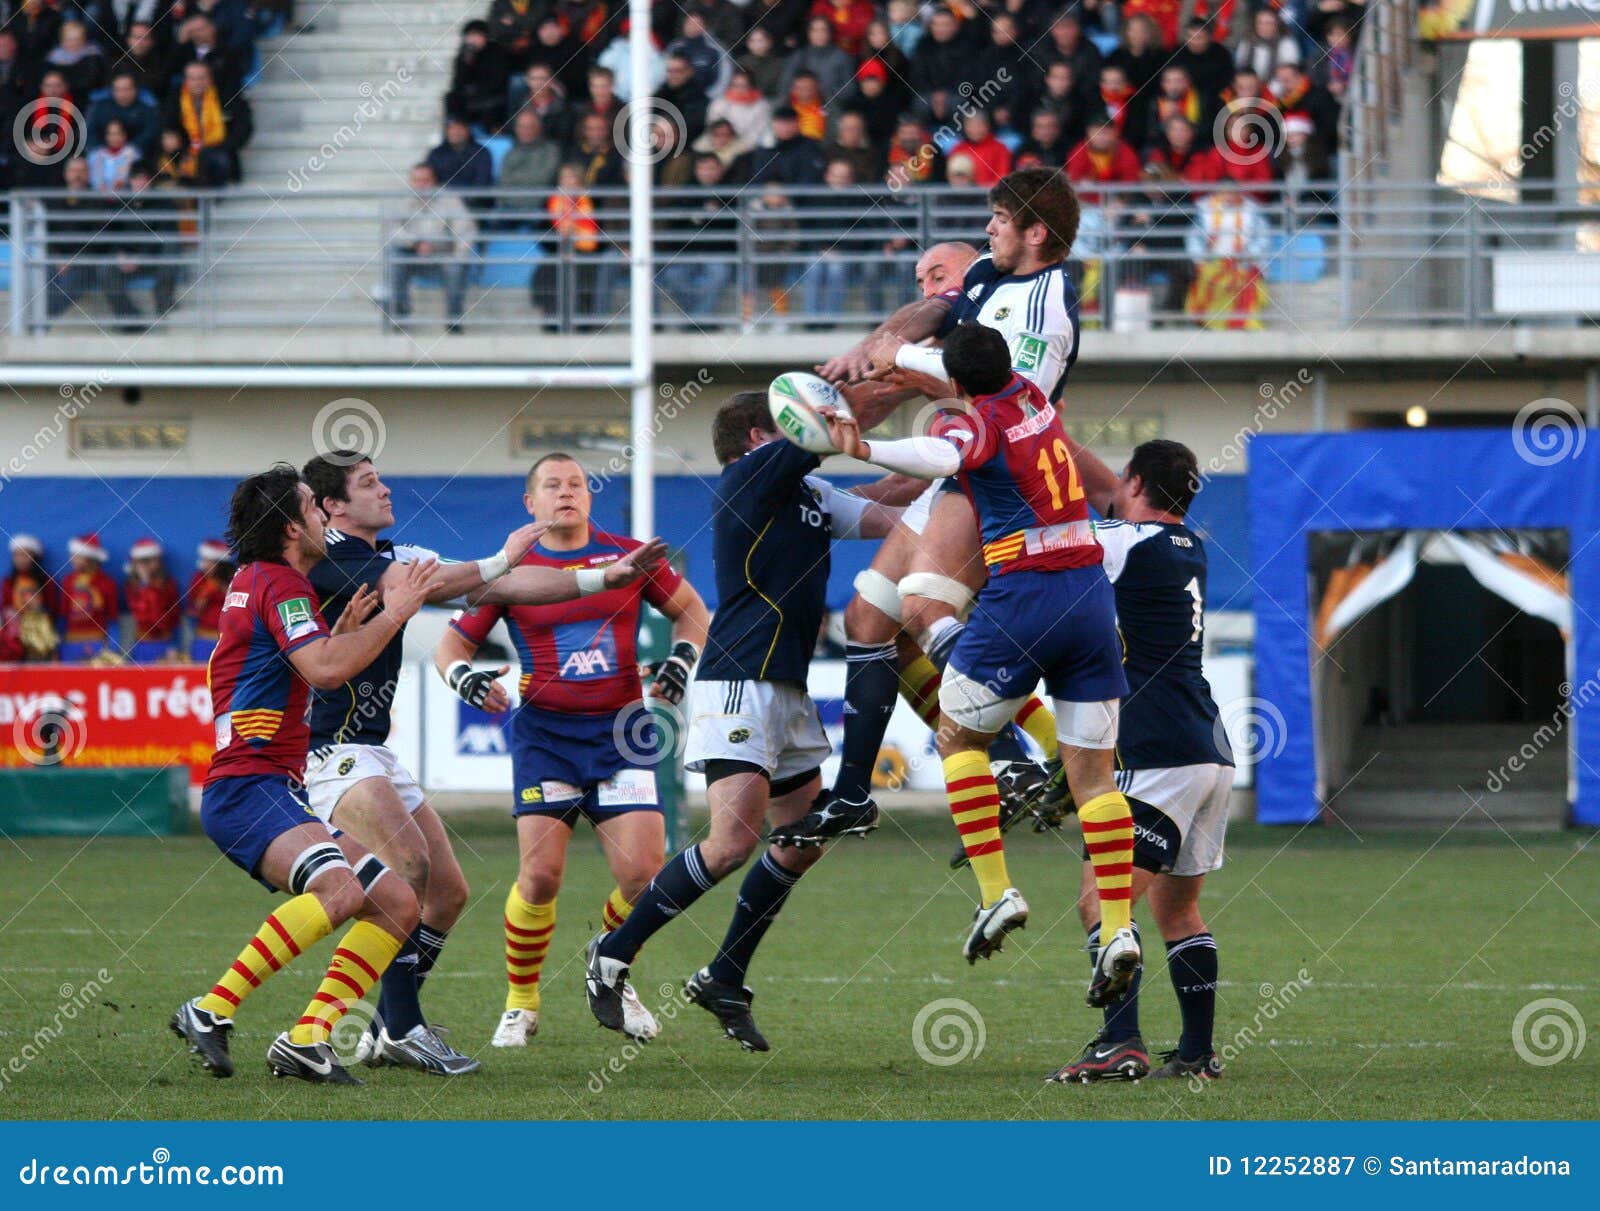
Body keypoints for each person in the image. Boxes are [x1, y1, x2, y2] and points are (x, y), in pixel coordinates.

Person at [297, 450, 666, 1072]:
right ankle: (358, 1026)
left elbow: (498, 588)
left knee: (446, 893)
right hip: (330, 750)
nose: (385, 489)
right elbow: (458, 585)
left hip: (375, 751)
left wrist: (601, 578)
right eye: (369, 483)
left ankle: (386, 1024)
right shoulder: (333, 558)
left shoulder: (392, 555)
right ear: (334, 506)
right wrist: (497, 560)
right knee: (409, 871)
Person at [817, 323, 1141, 1004]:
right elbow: (952, 364)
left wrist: (864, 444)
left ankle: (997, 893)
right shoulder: (1029, 395)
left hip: (1023, 596)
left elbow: (941, 453)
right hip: (1088, 598)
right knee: (1096, 780)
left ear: (958, 386)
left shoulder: (978, 427)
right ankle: (1117, 929)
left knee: (958, 736)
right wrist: (899, 353)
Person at [584, 391, 903, 1050]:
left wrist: (958, 467)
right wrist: (899, 377)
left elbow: (888, 512)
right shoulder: (747, 476)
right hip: (739, 679)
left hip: (785, 686)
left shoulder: (808, 494)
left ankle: (725, 973)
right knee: (731, 843)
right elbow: (826, 429)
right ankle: (612, 953)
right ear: (765, 433)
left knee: (800, 840)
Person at [786, 169, 1086, 850]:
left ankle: (1030, 752)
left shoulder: (1045, 302)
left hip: (1000, 476)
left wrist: (896, 357)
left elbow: (1001, 391)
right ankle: (855, 794)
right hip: (964, 467)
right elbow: (939, 308)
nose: (988, 230)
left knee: (923, 608)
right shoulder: (990, 273)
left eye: (1000, 219)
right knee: (868, 620)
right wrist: (875, 345)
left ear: (1036, 232)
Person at [170, 464, 437, 1085]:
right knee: (341, 892)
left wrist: (344, 636)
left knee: (395, 902)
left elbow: (314, 666)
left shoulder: (260, 580)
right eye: (315, 508)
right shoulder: (285, 585)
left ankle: (308, 1039)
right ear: (293, 526)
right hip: (249, 786)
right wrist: (395, 611)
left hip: (269, 786)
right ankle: (210, 1009)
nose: (325, 516)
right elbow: (323, 669)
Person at [434, 453, 709, 1048]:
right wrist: (467, 680)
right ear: (529, 504)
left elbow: (693, 613)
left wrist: (683, 662)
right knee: (540, 878)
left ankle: (607, 959)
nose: (567, 493)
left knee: (643, 877)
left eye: (577, 484)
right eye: (552, 485)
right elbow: (449, 650)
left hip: (622, 736)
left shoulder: (628, 555)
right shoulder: (509, 569)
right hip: (546, 739)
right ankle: (521, 1003)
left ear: (591, 495)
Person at [1046, 438, 1233, 1083]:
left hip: (1156, 751)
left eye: (1121, 484)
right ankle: (1197, 1054)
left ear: (1133, 483)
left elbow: (1062, 530)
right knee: (1177, 911)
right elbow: (1114, 496)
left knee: (1103, 897)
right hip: (1209, 747)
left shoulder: (1124, 543)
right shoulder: (1191, 546)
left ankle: (1120, 1042)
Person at [385, 162, 476, 333]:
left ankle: (454, 319)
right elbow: (392, 229)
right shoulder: (402, 200)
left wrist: (458, 255)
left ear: (434, 181)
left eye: (426, 180)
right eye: (417, 180)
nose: (421, 184)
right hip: (412, 252)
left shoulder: (450, 199)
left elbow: (465, 229)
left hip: (443, 253)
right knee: (394, 258)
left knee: (456, 266)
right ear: (410, 182)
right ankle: (400, 315)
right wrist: (415, 243)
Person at [163, 61, 251, 185]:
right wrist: (169, 134)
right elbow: (167, 123)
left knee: (211, 158)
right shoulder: (175, 99)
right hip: (185, 153)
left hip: (219, 153)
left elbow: (244, 128)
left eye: (201, 78)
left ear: (210, 79)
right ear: (186, 81)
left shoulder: (227, 97)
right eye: (192, 79)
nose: (197, 83)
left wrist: (223, 146)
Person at [58, 533, 119, 661]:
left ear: (89, 558)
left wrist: (112, 646)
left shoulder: (106, 583)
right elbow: (63, 615)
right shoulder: (68, 581)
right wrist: (59, 645)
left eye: (76, 556)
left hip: (97, 642)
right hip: (71, 643)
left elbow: (112, 617)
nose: (72, 559)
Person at [1, 536, 59, 663]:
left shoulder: (45, 581)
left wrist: (38, 612)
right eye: (17, 555)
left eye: (25, 555)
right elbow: (5, 608)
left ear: (35, 557)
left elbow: (53, 609)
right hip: (14, 635)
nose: (21, 559)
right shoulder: (9, 582)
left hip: (38, 634)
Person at [123, 537, 181, 661]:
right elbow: (140, 614)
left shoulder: (168, 585)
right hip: (142, 643)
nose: (153, 564)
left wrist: (174, 645)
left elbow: (173, 617)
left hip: (165, 642)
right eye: (146, 561)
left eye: (156, 560)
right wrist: (145, 583)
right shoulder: (132, 587)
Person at [184, 538, 231, 661]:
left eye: (207, 561)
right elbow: (195, 609)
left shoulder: (231, 578)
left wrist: (222, 588)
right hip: (203, 638)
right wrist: (206, 592)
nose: (203, 563)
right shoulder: (198, 578)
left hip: (225, 639)